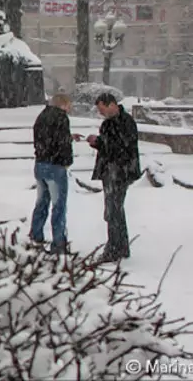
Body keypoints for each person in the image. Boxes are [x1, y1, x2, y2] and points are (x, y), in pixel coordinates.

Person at [87, 92, 142, 262]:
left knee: (113, 210)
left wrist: (99, 142)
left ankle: (114, 248)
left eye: (102, 109)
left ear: (111, 104)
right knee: (115, 209)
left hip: (119, 172)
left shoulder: (126, 123)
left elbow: (120, 147)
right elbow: (111, 147)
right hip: (111, 171)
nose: (101, 113)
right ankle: (120, 246)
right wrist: (99, 144)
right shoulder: (109, 124)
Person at [30, 93, 78, 253]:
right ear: (63, 104)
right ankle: (59, 243)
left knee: (41, 203)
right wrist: (66, 162)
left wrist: (68, 137)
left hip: (40, 163)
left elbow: (46, 138)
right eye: (69, 105)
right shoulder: (61, 118)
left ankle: (35, 235)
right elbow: (61, 143)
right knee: (59, 206)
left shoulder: (42, 116)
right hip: (55, 166)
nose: (70, 108)